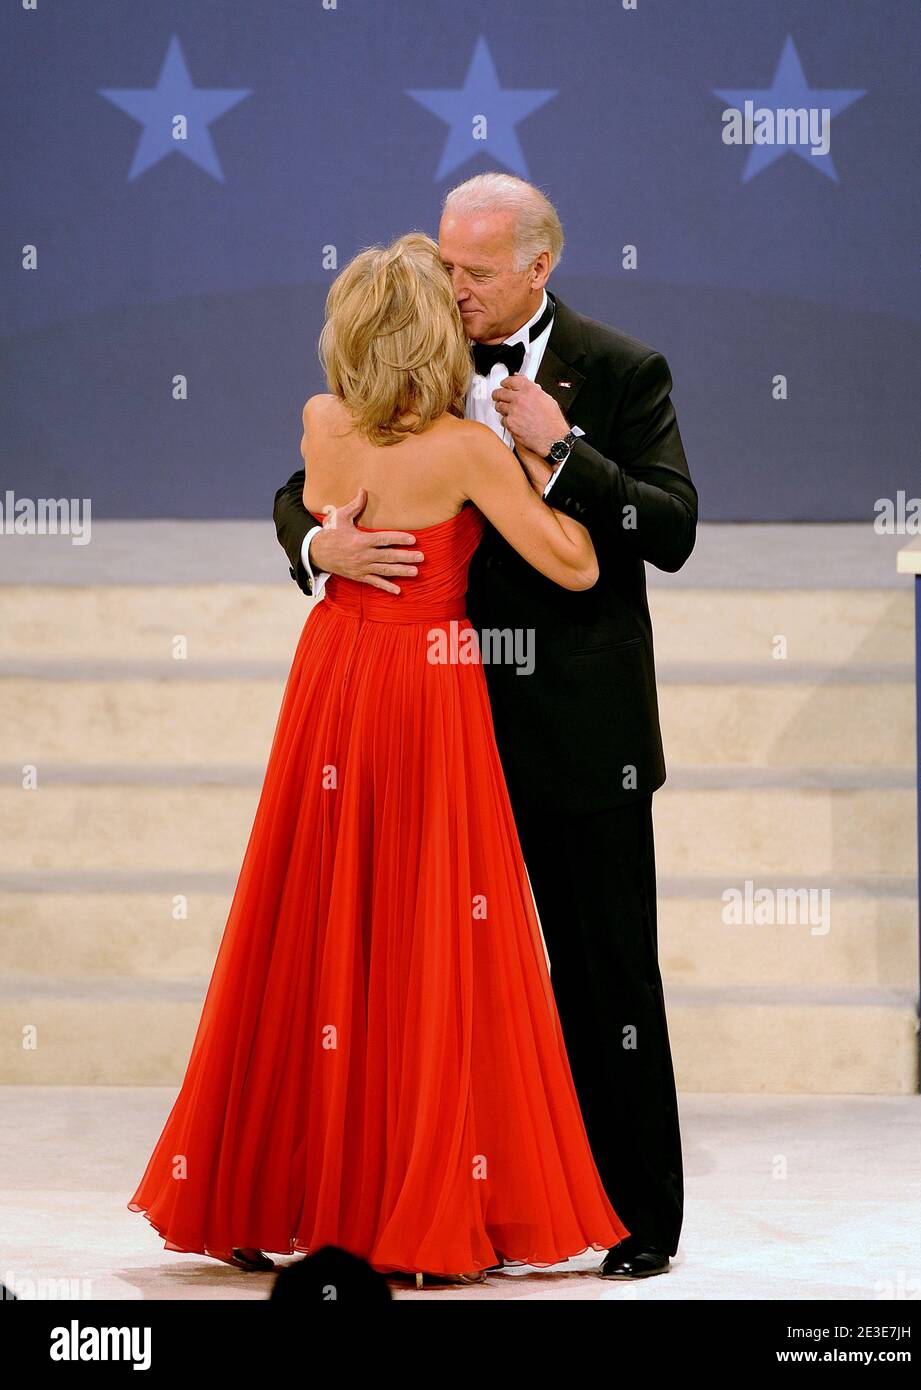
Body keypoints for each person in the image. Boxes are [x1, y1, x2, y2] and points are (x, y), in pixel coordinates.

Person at [128, 230, 630, 1284]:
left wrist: (324, 548)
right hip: (424, 694)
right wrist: (553, 454)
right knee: (427, 934)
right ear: (436, 336)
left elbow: (318, 509)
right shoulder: (466, 449)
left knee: (309, 923)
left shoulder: (322, 424)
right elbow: (577, 565)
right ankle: (425, 1201)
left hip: (334, 681)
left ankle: (266, 1189)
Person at [274, 173, 698, 1279]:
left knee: (603, 974)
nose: (453, 287)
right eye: (446, 270)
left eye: (474, 271)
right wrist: (321, 549)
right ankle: (456, 1203)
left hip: (569, 722)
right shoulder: (410, 362)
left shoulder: (617, 368)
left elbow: (669, 530)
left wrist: (562, 453)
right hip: (427, 723)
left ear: (537, 268)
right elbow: (299, 489)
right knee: (422, 969)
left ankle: (630, 1213)